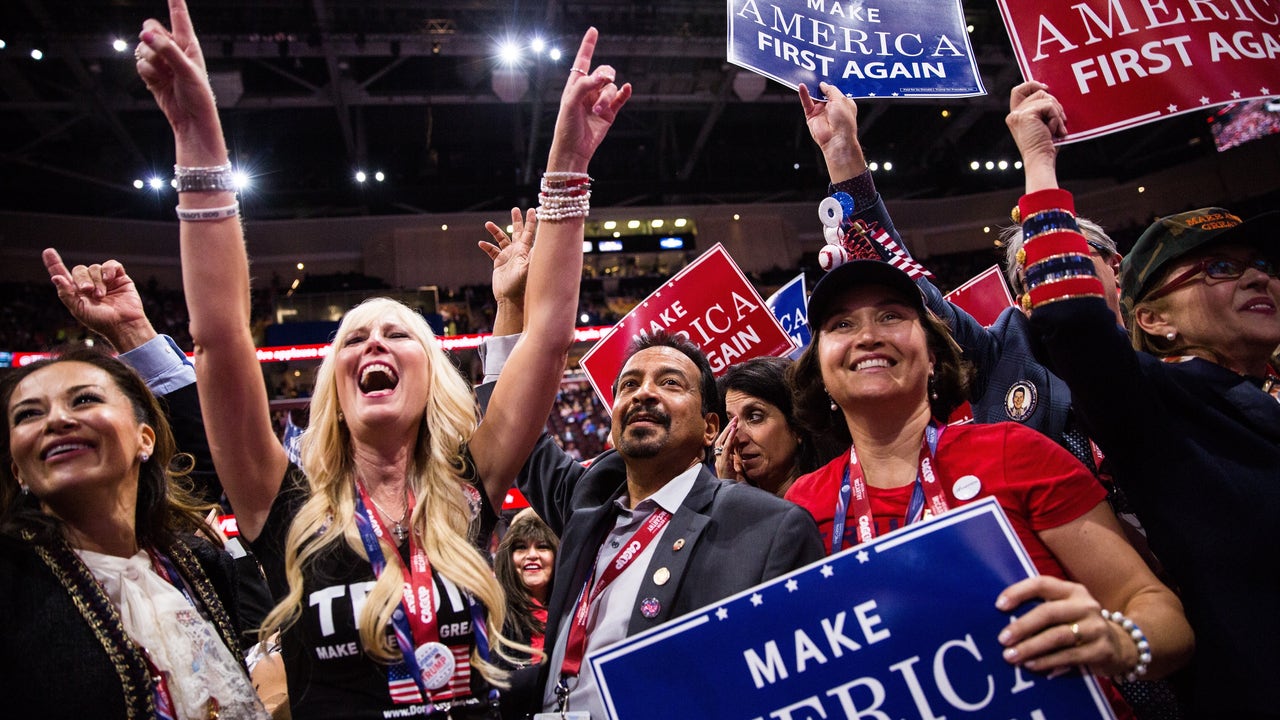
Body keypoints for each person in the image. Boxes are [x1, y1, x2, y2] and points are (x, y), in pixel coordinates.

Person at [135, 0, 630, 715]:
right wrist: (196, 142)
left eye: (399, 334)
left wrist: (569, 166)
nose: (373, 342)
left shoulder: (470, 484)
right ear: (333, 385)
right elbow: (218, 339)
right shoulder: (283, 506)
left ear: (433, 374)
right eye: (354, 339)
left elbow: (549, 331)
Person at [783, 257, 1193, 717]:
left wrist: (1119, 639)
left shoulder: (1016, 452)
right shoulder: (800, 504)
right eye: (842, 324)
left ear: (933, 355)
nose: (868, 336)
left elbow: (1160, 613)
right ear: (818, 367)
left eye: (892, 315)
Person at [1009, 79, 1280, 718]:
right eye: (1217, 268)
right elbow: (1073, 321)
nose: (1255, 275)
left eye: (1259, 264)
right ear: (1155, 321)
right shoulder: (1159, 406)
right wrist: (1040, 160)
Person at [487, 331, 824, 719]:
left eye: (670, 383)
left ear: (709, 427)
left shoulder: (767, 526)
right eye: (629, 384)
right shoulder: (589, 506)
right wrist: (509, 303)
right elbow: (514, 434)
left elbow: (792, 690)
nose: (643, 393)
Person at [0, 346, 267, 719]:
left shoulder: (203, 564)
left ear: (145, 438)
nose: (56, 420)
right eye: (28, 414)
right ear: (18, 471)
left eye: (84, 400)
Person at [711, 356, 841, 496]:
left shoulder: (845, 490)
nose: (737, 438)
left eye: (754, 417)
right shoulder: (735, 501)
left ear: (797, 424)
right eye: (732, 422)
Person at [492, 508, 558, 667]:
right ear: (508, 558)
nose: (532, 555)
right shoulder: (495, 614)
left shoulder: (571, 611)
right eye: (521, 547)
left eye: (542, 546)